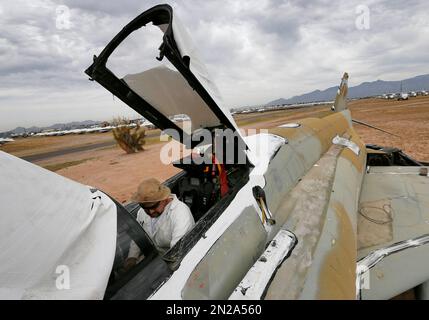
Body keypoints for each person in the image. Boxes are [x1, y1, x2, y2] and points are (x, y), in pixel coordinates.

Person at [124, 178, 195, 270]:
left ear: (164, 198)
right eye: (145, 207)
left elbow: (177, 254)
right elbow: (138, 236)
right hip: (153, 258)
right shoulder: (142, 212)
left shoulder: (180, 214)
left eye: (154, 206)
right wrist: (132, 257)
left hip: (171, 264)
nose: (150, 212)